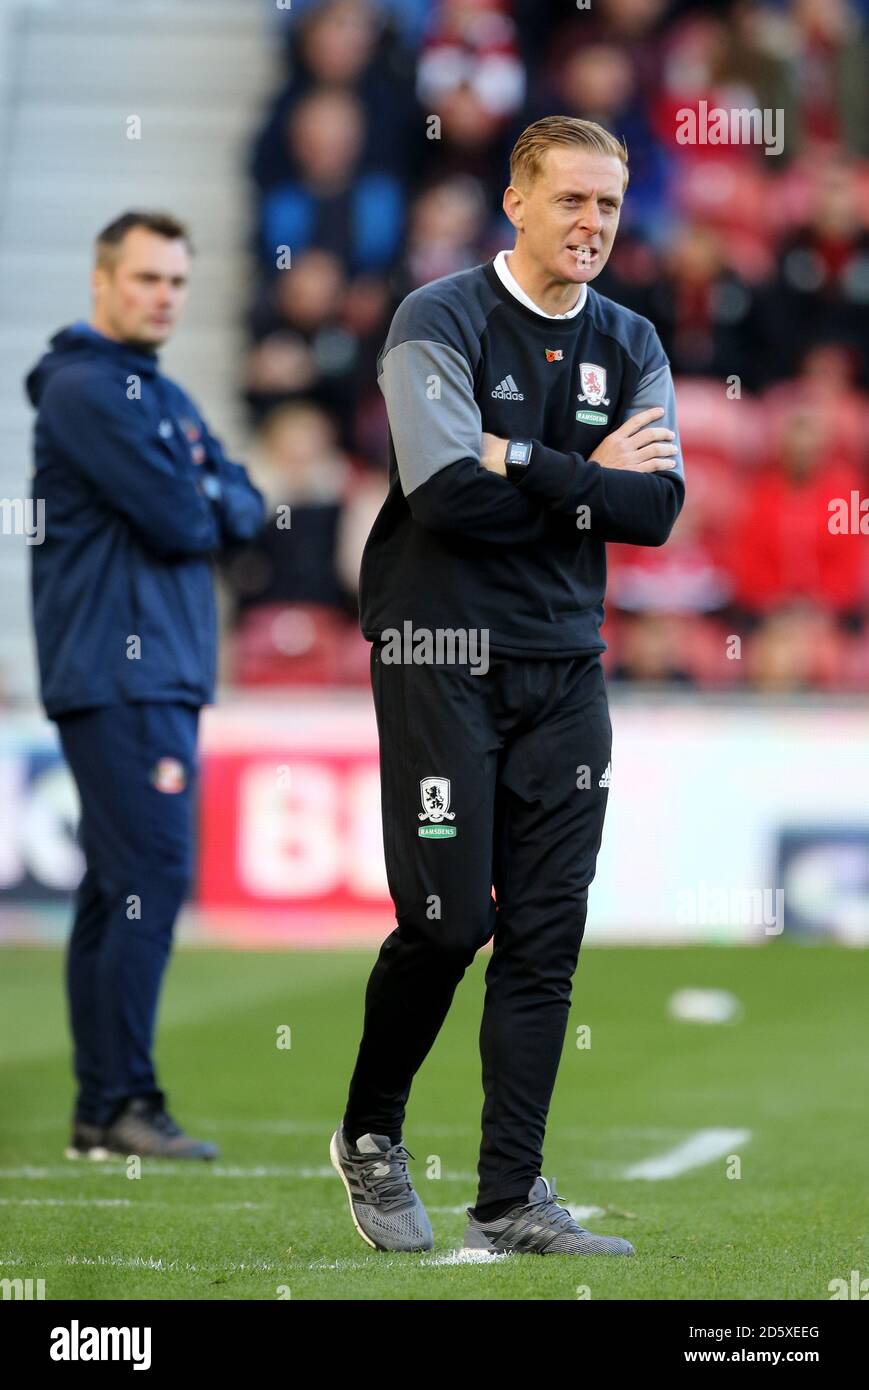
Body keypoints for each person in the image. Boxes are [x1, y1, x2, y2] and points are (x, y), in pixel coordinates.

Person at [330, 116, 685, 1256]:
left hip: (562, 660)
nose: (591, 225)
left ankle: (509, 1195)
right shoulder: (435, 318)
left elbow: (657, 510)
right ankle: (370, 1135)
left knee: (544, 934)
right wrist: (582, 481)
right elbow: (444, 496)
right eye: (571, 201)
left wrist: (521, 458)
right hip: (438, 649)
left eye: (607, 207)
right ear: (515, 203)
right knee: (445, 924)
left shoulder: (628, 339)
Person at [25, 211, 265, 1161]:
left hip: (152, 672)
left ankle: (102, 1109)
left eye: (175, 282)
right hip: (120, 671)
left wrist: (209, 488)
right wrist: (203, 486)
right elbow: (185, 513)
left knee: (115, 886)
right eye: (146, 279)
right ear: (101, 281)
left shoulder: (155, 393)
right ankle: (124, 1102)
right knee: (150, 878)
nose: (163, 296)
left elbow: (244, 504)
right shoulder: (89, 390)